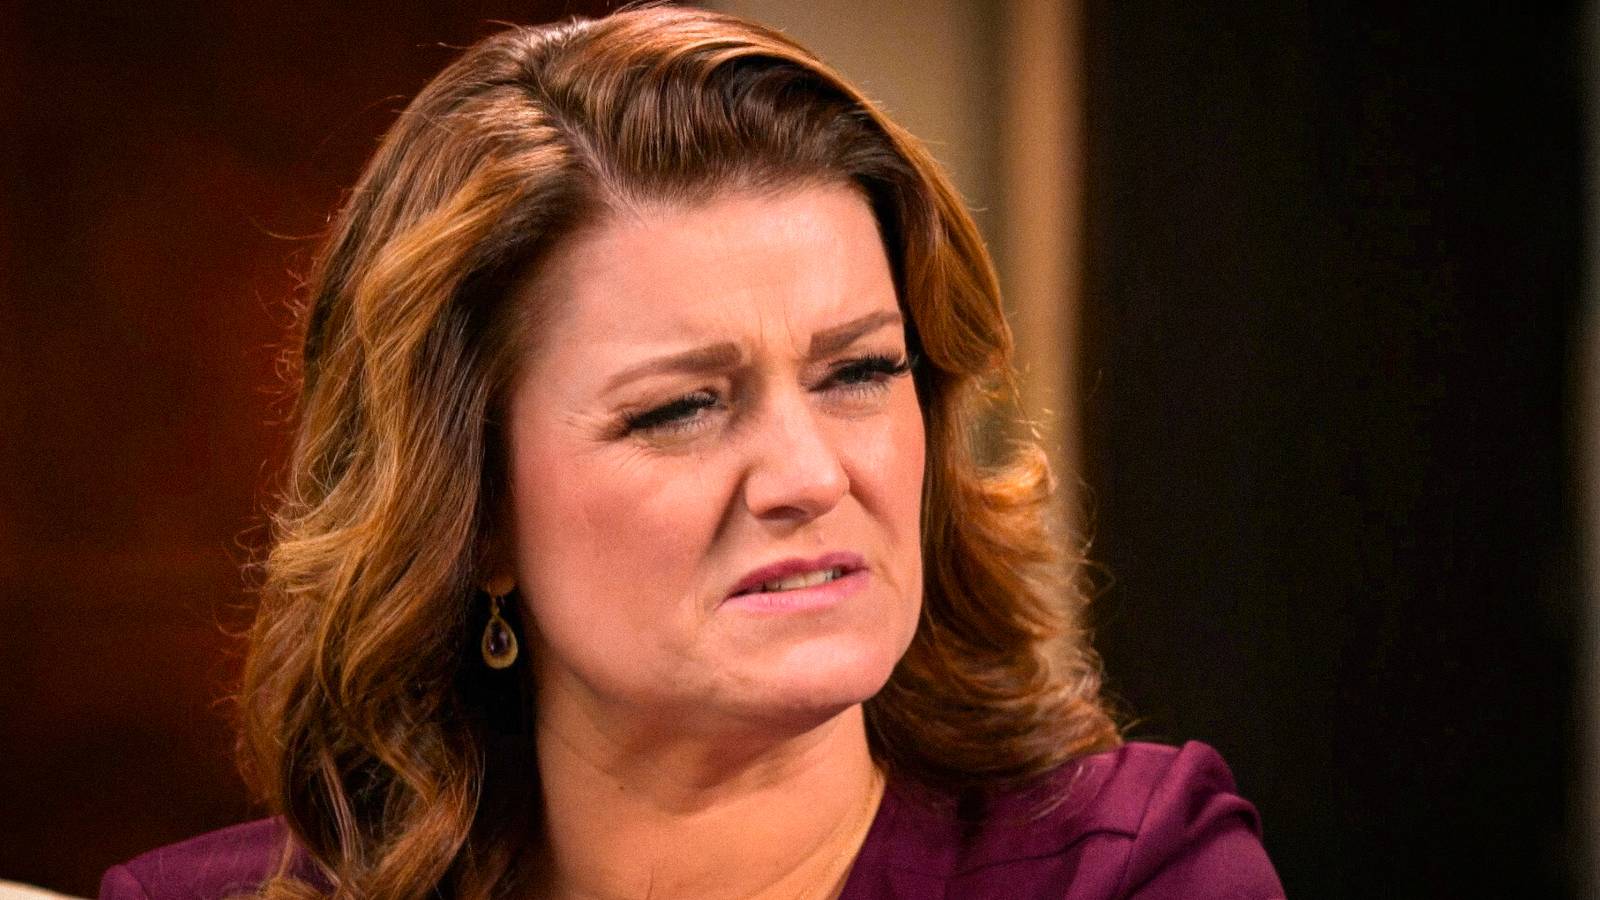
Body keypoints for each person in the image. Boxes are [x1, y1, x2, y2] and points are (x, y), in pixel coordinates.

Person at [100, 7, 1283, 899]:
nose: (810, 477)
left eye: (858, 373)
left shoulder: (1135, 870)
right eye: (679, 409)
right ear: (472, 509)